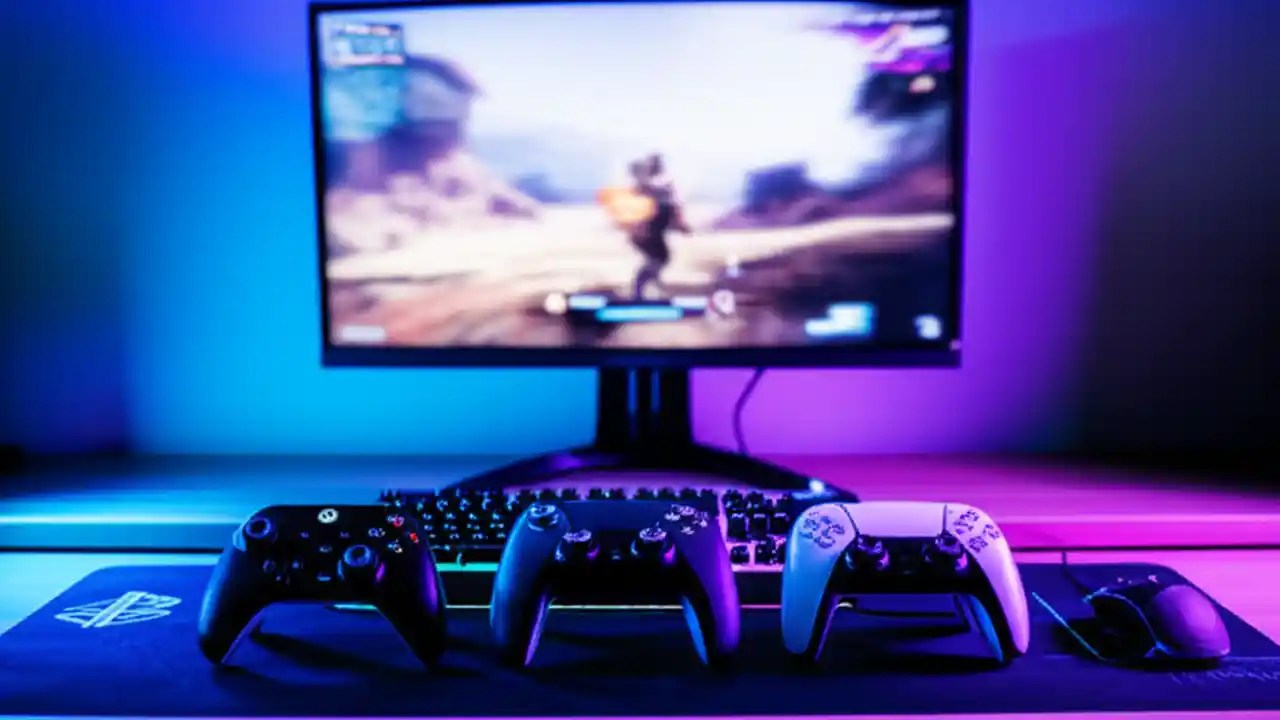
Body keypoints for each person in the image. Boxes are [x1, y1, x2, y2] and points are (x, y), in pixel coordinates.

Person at [628, 154, 691, 300]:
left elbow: (673, 208)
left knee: (659, 259)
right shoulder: (658, 185)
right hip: (649, 231)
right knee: (658, 259)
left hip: (652, 230)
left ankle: (649, 287)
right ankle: (643, 288)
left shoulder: (658, 184)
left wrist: (681, 224)